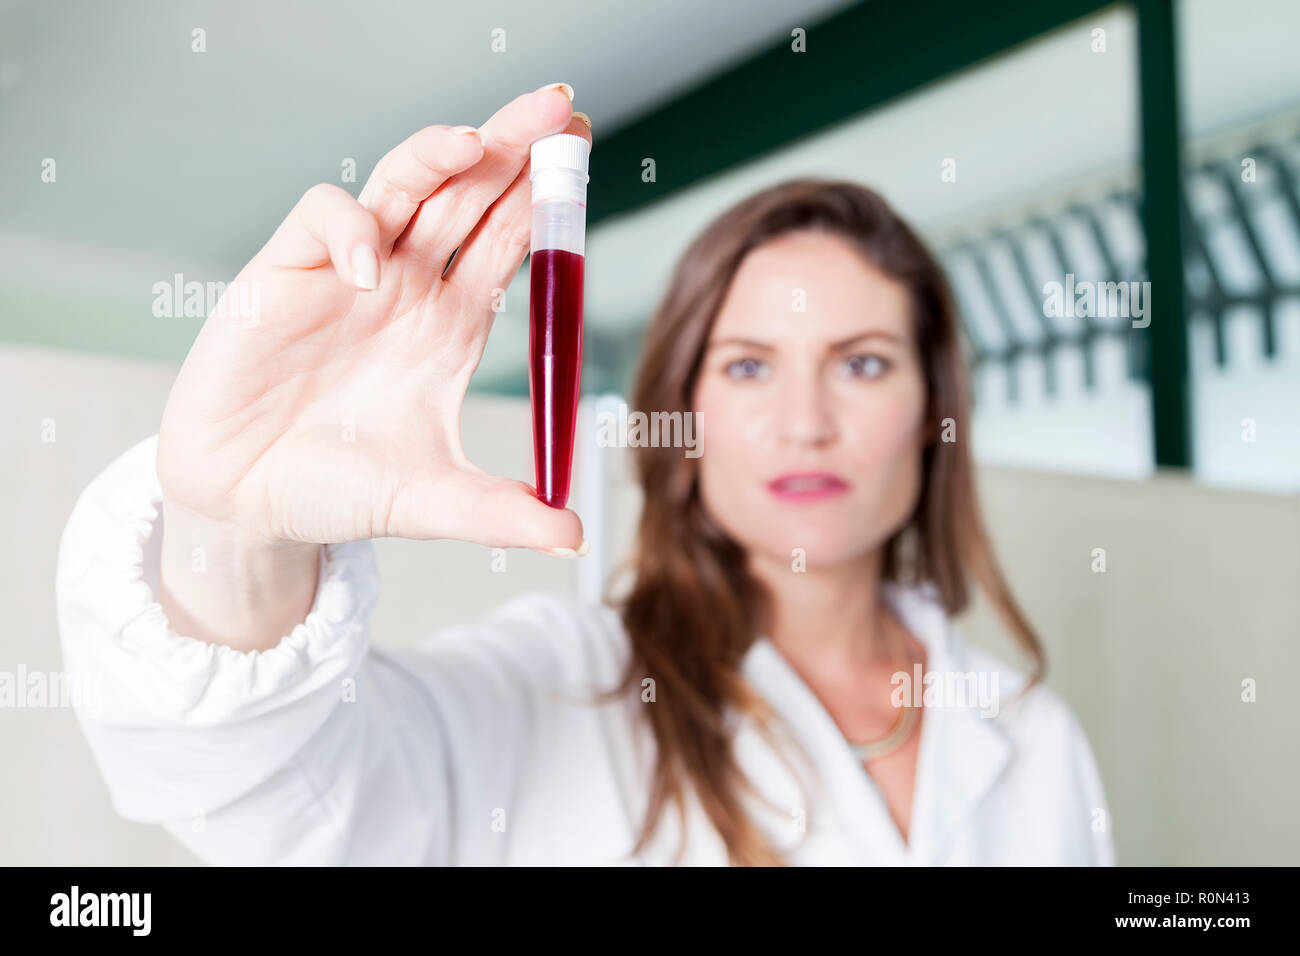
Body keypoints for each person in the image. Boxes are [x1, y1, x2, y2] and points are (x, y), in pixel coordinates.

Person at [55, 83, 1116, 866]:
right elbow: (280, 799)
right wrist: (238, 531)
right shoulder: (564, 683)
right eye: (748, 365)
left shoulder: (1027, 736)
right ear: (682, 411)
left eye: (864, 363)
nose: (804, 421)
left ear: (933, 409)